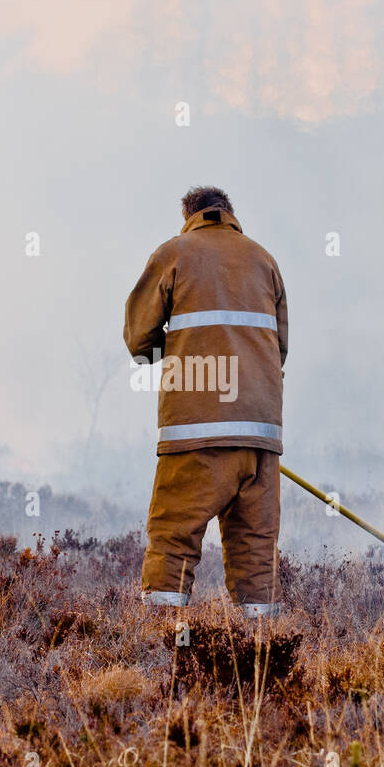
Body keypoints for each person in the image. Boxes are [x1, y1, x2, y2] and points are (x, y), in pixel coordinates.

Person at [124, 185, 289, 617]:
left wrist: (180, 355)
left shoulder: (174, 253)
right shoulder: (264, 260)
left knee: (173, 536)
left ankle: (160, 643)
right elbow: (280, 348)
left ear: (189, 215)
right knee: (256, 550)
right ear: (229, 214)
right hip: (259, 435)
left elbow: (139, 341)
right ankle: (264, 658)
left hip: (195, 430)